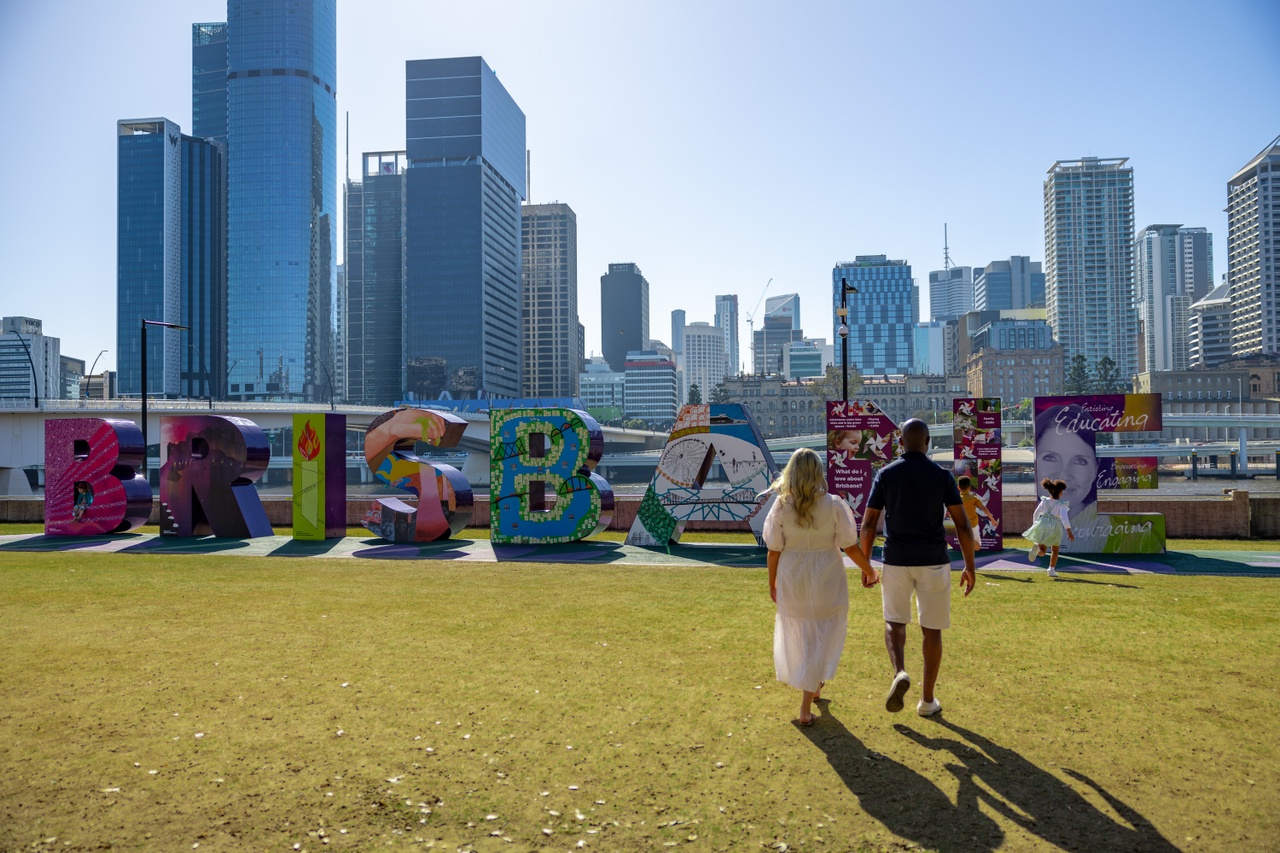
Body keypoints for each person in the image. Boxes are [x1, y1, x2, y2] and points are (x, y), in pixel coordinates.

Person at [860, 419, 976, 718]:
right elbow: (962, 524)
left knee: (894, 621)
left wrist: (865, 564)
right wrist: (970, 567)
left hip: (896, 558)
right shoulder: (942, 476)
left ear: (900, 442)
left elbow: (870, 523)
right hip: (934, 559)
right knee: (932, 630)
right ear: (927, 443)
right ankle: (927, 700)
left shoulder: (885, 474)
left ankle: (899, 672)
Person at [764, 447, 879, 727]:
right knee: (821, 634)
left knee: (804, 634)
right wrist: (870, 571)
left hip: (793, 575)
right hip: (826, 575)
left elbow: (773, 549)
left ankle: (814, 686)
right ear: (818, 472)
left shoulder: (781, 505)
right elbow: (849, 546)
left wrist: (773, 583)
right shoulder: (834, 504)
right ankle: (806, 707)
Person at [1034, 404, 1103, 550]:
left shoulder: (1138, 539)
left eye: (1080, 461)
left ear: (1095, 470)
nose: (1063, 476)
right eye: (1050, 458)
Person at [1024, 477, 1074, 578]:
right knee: (1055, 550)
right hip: (1054, 526)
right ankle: (1051, 569)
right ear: (1060, 492)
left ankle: (1039, 550)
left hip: (1042, 524)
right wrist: (1069, 531)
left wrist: (1035, 525)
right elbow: (1064, 518)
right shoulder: (1062, 504)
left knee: (1043, 549)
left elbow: (1036, 513)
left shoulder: (1044, 501)